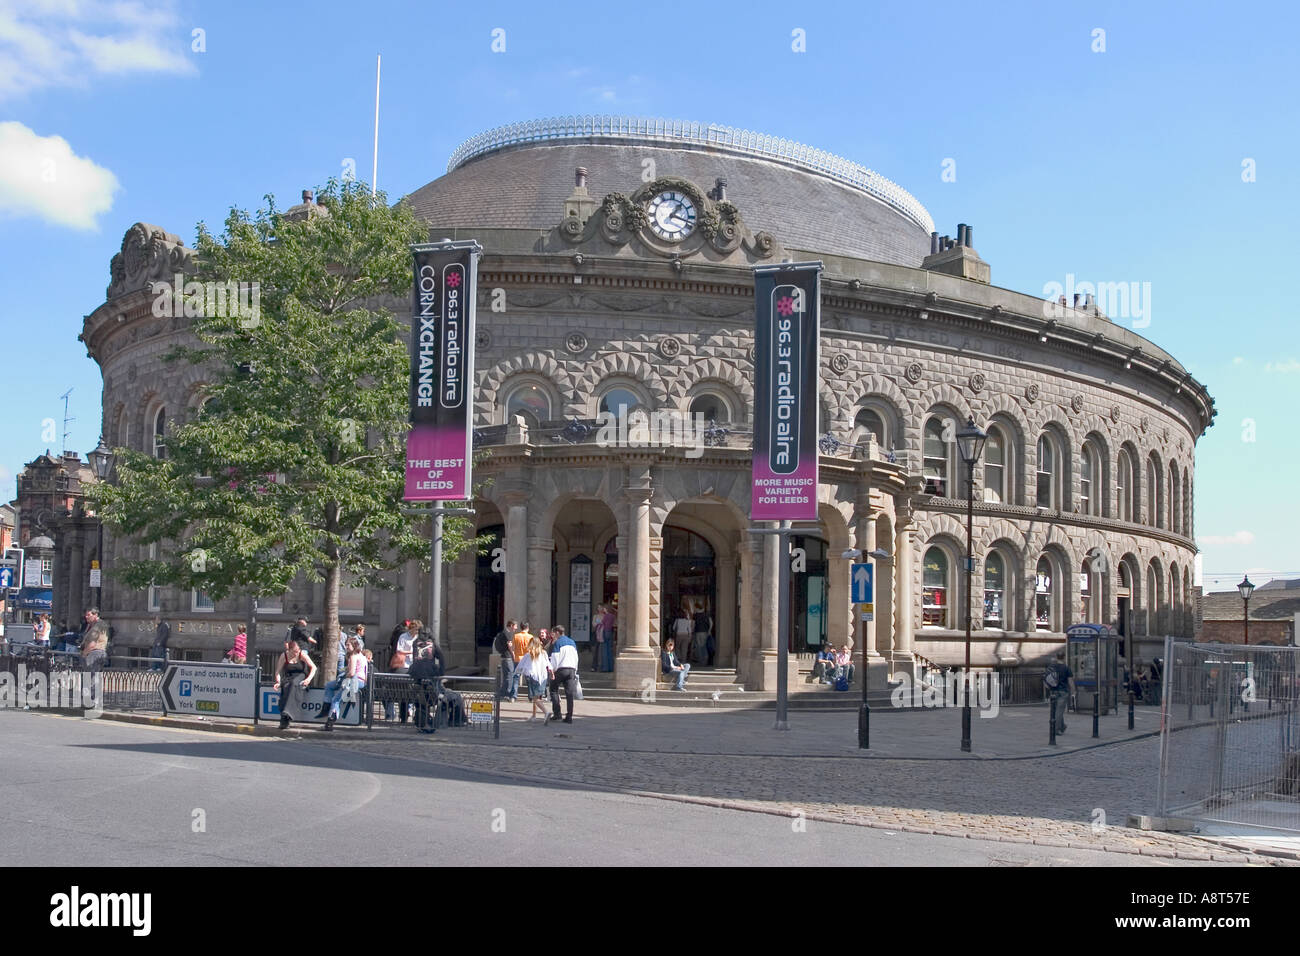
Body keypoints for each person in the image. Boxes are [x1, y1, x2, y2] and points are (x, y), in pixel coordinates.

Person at [321, 637, 369, 730]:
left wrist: (343, 677)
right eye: (346, 644)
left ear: (354, 645)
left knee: (336, 699)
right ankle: (326, 705)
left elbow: (351, 673)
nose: (346, 647)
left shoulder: (353, 656)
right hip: (361, 681)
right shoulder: (362, 656)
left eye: (348, 645)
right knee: (330, 685)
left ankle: (330, 721)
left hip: (354, 681)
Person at [273, 639, 317, 730]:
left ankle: (287, 713)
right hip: (289, 676)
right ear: (289, 650)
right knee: (286, 687)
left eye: (298, 651)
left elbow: (314, 667)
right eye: (294, 652)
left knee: (293, 684)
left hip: (301, 675)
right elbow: (277, 672)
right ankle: (284, 718)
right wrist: (278, 682)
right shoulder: (284, 656)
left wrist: (308, 679)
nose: (296, 653)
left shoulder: (302, 655)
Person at [409, 637, 446, 732]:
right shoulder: (432, 645)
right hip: (429, 681)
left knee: (421, 699)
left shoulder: (416, 644)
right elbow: (441, 663)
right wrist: (440, 670)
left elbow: (414, 659)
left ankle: (422, 722)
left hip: (415, 682)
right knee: (430, 698)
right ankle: (425, 723)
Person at [385, 620, 418, 723]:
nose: (415, 633)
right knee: (403, 692)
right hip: (404, 666)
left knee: (414, 691)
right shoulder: (403, 636)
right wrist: (411, 652)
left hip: (414, 665)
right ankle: (403, 715)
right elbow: (399, 650)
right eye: (415, 630)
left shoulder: (418, 637)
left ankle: (413, 712)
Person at [548, 627, 579, 723]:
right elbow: (576, 657)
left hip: (561, 669)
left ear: (557, 632)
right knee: (569, 694)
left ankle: (557, 714)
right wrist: (575, 669)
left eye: (554, 633)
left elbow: (555, 658)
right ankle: (569, 716)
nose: (553, 635)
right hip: (571, 669)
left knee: (553, 690)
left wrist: (552, 670)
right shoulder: (572, 642)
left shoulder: (558, 643)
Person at [517, 636, 552, 722]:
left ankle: (546, 712)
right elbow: (548, 665)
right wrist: (551, 673)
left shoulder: (529, 655)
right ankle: (534, 715)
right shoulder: (544, 653)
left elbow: (521, 665)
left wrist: (517, 672)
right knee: (537, 696)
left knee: (535, 698)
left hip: (533, 678)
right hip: (543, 677)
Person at [1044, 650, 1073, 734]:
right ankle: (1055, 730)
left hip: (1053, 691)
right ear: (1064, 657)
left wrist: (1048, 688)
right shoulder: (1066, 668)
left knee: (1056, 710)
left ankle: (1062, 726)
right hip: (1063, 691)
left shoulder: (1051, 667)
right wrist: (1073, 691)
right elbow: (1070, 681)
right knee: (1059, 711)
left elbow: (1045, 679)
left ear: (1056, 657)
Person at [509, 622, 533, 702]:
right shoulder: (530, 637)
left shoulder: (516, 636)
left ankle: (514, 696)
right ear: (528, 627)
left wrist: (513, 655)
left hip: (517, 659)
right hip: (527, 660)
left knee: (516, 678)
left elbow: (512, 648)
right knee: (529, 678)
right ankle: (530, 696)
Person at [494, 619, 518, 699]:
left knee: (506, 676)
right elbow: (510, 646)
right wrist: (513, 655)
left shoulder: (503, 632)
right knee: (509, 675)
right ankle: (505, 693)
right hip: (508, 657)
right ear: (511, 625)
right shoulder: (508, 634)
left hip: (504, 657)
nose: (516, 628)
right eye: (515, 626)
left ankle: (501, 693)